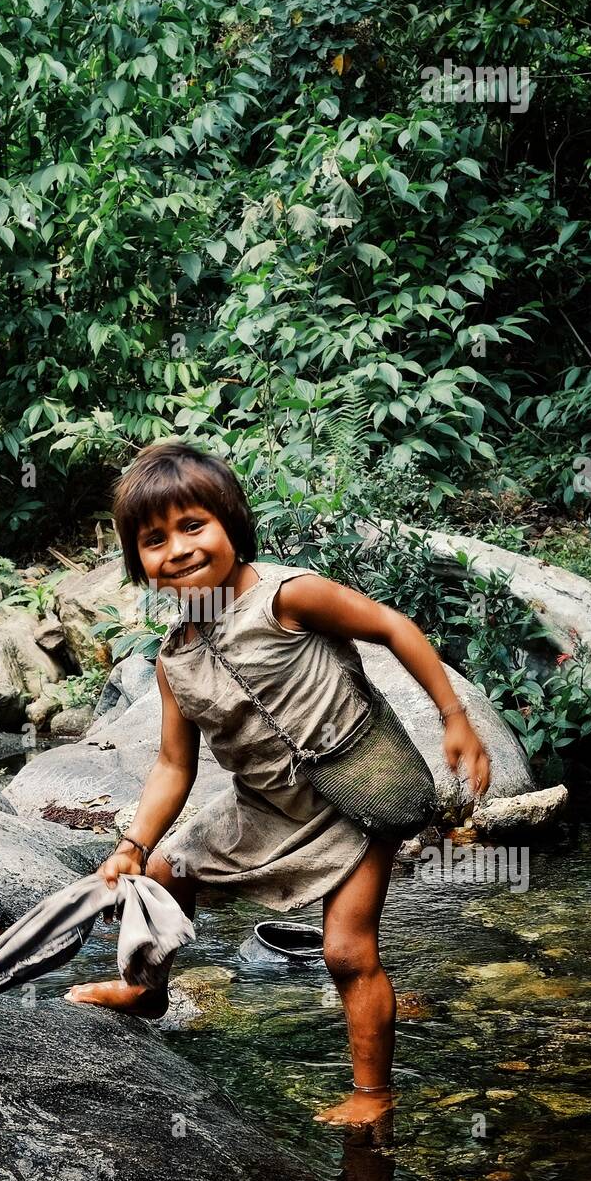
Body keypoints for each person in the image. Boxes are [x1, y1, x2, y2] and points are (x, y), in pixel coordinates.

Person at [65, 441, 491, 1130]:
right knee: (167, 871)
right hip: (261, 805)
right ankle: (146, 991)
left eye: (192, 525)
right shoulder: (174, 661)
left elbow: (389, 624)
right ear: (136, 562)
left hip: (357, 793)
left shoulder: (287, 598)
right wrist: (131, 843)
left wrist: (453, 718)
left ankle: (373, 1097)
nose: (175, 549)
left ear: (231, 522)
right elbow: (174, 766)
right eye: (152, 539)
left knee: (347, 953)